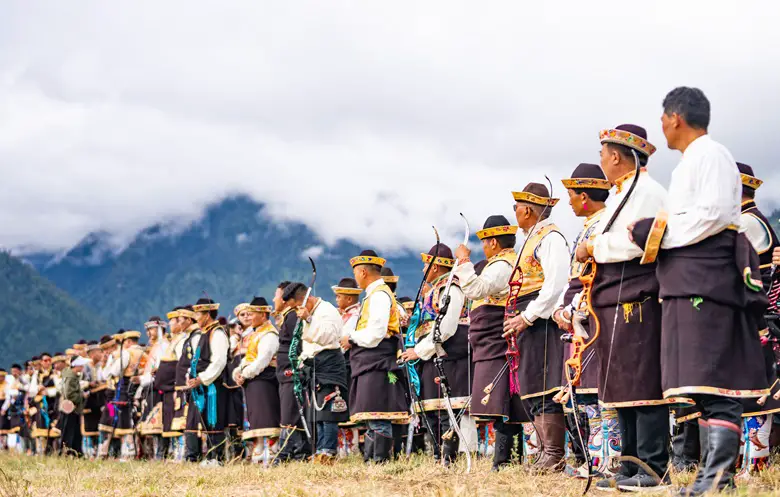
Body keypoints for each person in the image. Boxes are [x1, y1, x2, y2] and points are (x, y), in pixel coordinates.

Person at [630, 87, 770, 496]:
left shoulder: (710, 155)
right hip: (690, 281)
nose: (660, 125)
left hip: (704, 282)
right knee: (701, 384)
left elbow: (710, 216)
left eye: (662, 117)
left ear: (675, 117)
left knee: (714, 381)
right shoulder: (692, 161)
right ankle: (715, 479)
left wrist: (657, 234)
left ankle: (716, 480)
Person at [575, 124, 688, 491]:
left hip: (637, 299)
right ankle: (629, 465)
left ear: (616, 157)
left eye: (602, 155)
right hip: (614, 300)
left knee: (643, 385)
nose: (601, 162)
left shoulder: (649, 193)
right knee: (621, 388)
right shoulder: (624, 193)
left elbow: (637, 244)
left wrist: (592, 247)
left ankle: (653, 468)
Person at [552, 162, 622, 478]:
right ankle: (595, 460)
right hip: (583, 317)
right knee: (588, 393)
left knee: (603, 391)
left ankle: (613, 461)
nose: (568, 202)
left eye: (570, 196)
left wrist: (574, 307)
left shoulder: (606, 223)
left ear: (583, 196)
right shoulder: (590, 225)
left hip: (598, 315)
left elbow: (595, 276)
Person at [502, 183, 569, 473]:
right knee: (531, 385)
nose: (515, 213)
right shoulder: (531, 239)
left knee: (545, 384)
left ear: (527, 209)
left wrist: (527, 317)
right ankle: (544, 451)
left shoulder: (550, 238)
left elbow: (554, 285)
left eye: (516, 208)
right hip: (527, 318)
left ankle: (554, 453)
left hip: (540, 321)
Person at [454, 215, 525, 470]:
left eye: (485, 243)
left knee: (502, 400)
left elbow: (475, 289)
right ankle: (504, 459)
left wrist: (463, 261)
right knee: (497, 401)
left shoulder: (502, 265)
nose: (483, 248)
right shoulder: (498, 263)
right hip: (488, 342)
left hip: (498, 341)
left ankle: (504, 461)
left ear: (493, 242)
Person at [400, 243, 469, 466]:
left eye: (425, 266)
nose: (422, 271)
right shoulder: (438, 288)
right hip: (432, 355)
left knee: (447, 411)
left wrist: (418, 350)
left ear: (436, 267)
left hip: (447, 355)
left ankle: (449, 458)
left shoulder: (450, 288)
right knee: (433, 410)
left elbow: (446, 328)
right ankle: (439, 457)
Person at [340, 250, 409, 463]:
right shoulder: (374, 294)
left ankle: (379, 461)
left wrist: (351, 337)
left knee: (378, 414)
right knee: (371, 414)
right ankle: (371, 459)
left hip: (377, 362)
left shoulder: (379, 295)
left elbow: (376, 333)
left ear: (362, 272)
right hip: (369, 362)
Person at [734, 162, 780, 475]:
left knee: (758, 391)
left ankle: (756, 466)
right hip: (753, 318)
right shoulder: (744, 222)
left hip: (760, 320)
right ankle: (746, 463)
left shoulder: (747, 224)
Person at [290, 284, 349, 464]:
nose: (297, 312)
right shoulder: (312, 312)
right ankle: (321, 450)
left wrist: (308, 319)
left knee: (328, 410)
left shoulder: (327, 310)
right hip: (316, 365)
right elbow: (309, 344)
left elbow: (329, 337)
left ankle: (328, 451)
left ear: (306, 300)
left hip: (330, 362)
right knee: (318, 412)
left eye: (297, 307)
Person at [233, 297, 281, 464]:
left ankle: (272, 453)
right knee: (256, 418)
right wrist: (238, 371)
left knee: (267, 416)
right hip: (254, 381)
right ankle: (259, 453)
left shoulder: (269, 334)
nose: (250, 317)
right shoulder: (256, 333)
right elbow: (249, 358)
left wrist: (245, 374)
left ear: (262, 315)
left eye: (252, 313)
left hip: (265, 380)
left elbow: (263, 360)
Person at [184, 298, 230, 466]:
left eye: (198, 314)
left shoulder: (217, 333)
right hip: (199, 385)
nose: (196, 317)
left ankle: (215, 458)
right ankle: (200, 457)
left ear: (208, 314)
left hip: (212, 386)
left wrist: (202, 379)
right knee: (198, 421)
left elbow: (219, 361)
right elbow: (197, 360)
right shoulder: (204, 333)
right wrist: (191, 376)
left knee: (213, 419)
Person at [275, 280, 311, 463]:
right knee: (289, 411)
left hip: (291, 372)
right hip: (284, 372)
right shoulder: (288, 316)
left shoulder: (292, 317)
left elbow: (298, 343)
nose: (274, 299)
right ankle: (294, 452)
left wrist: (295, 367)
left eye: (277, 295)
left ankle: (291, 452)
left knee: (291, 412)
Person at [99, 331, 145, 461]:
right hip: (137, 390)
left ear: (128, 341)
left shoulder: (125, 353)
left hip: (122, 392)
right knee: (130, 422)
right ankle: (130, 453)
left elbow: (111, 373)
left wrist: (109, 362)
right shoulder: (144, 352)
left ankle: (125, 453)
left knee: (122, 423)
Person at [332, 278, 362, 457]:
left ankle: (351, 450)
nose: (336, 299)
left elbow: (343, 340)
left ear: (349, 299)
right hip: (341, 365)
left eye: (339, 296)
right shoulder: (342, 315)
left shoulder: (355, 316)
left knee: (347, 406)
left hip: (348, 363)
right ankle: (344, 449)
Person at [171, 306, 200, 462]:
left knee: (192, 420)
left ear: (189, 320)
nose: (179, 323)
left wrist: (191, 377)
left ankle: (192, 454)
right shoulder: (188, 337)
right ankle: (187, 453)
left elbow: (196, 360)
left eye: (181, 320)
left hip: (192, 384)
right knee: (186, 420)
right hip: (185, 385)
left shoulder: (195, 337)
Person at [59, 356, 88, 456]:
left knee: (74, 432)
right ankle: (67, 452)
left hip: (73, 409)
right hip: (71, 409)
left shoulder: (70, 375)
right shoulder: (71, 377)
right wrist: (81, 395)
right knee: (69, 432)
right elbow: (68, 394)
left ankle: (76, 452)